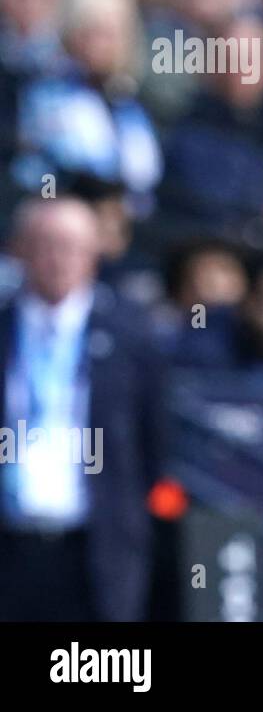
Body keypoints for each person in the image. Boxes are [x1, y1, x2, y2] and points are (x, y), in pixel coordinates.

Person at [0, 197, 166, 620]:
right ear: (19, 249)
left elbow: (155, 442)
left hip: (95, 547)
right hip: (12, 544)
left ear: (94, 254)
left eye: (71, 246)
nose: (58, 259)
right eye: (45, 244)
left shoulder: (130, 332)